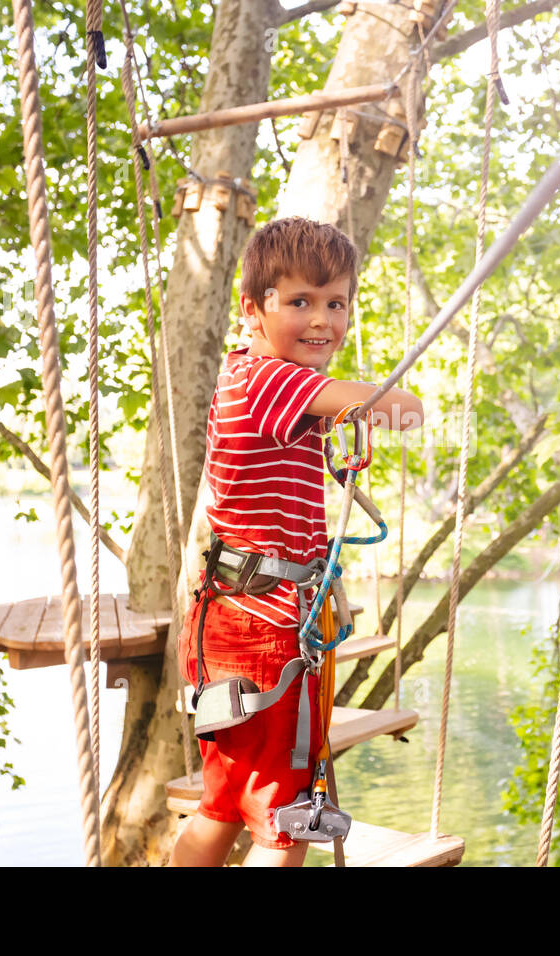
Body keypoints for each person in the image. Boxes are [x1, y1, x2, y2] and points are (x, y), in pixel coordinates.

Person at [169, 217, 424, 867]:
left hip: (242, 616)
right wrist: (376, 402)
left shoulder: (246, 375)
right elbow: (404, 409)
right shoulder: (272, 382)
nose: (321, 321)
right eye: (300, 302)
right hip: (262, 628)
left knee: (226, 802)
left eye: (335, 303)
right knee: (289, 822)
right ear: (253, 311)